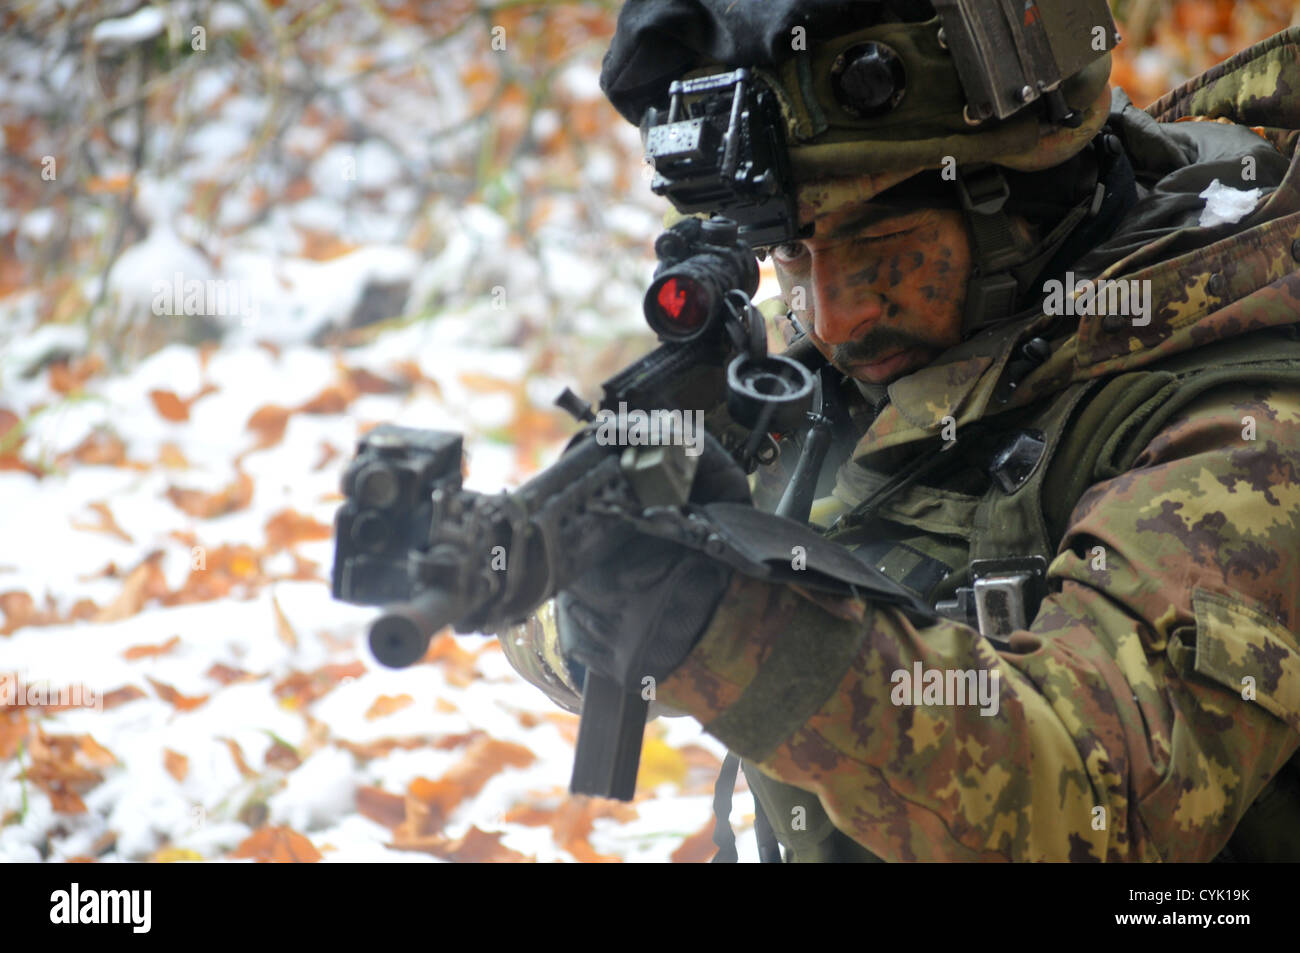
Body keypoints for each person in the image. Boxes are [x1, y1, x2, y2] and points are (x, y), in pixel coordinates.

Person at [499, 0, 1300, 861]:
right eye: (794, 255)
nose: (834, 317)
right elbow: (557, 623)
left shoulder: (1246, 420)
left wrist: (727, 628)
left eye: (884, 250)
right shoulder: (856, 355)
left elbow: (1103, 805)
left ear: (1026, 204)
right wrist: (603, 578)